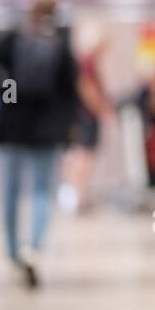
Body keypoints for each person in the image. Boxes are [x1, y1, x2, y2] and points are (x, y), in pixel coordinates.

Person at [0, 0, 78, 288]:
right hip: (45, 131)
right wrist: (66, 127)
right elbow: (68, 94)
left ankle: (13, 254)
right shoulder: (60, 47)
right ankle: (33, 248)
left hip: (13, 126)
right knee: (41, 191)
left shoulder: (12, 41)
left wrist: (11, 94)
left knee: (10, 192)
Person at [60, 33, 112, 214]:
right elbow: (87, 91)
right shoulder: (86, 63)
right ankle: (78, 198)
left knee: (84, 158)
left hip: (86, 116)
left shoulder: (89, 63)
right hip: (86, 117)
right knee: (82, 158)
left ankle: (81, 197)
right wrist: (101, 109)